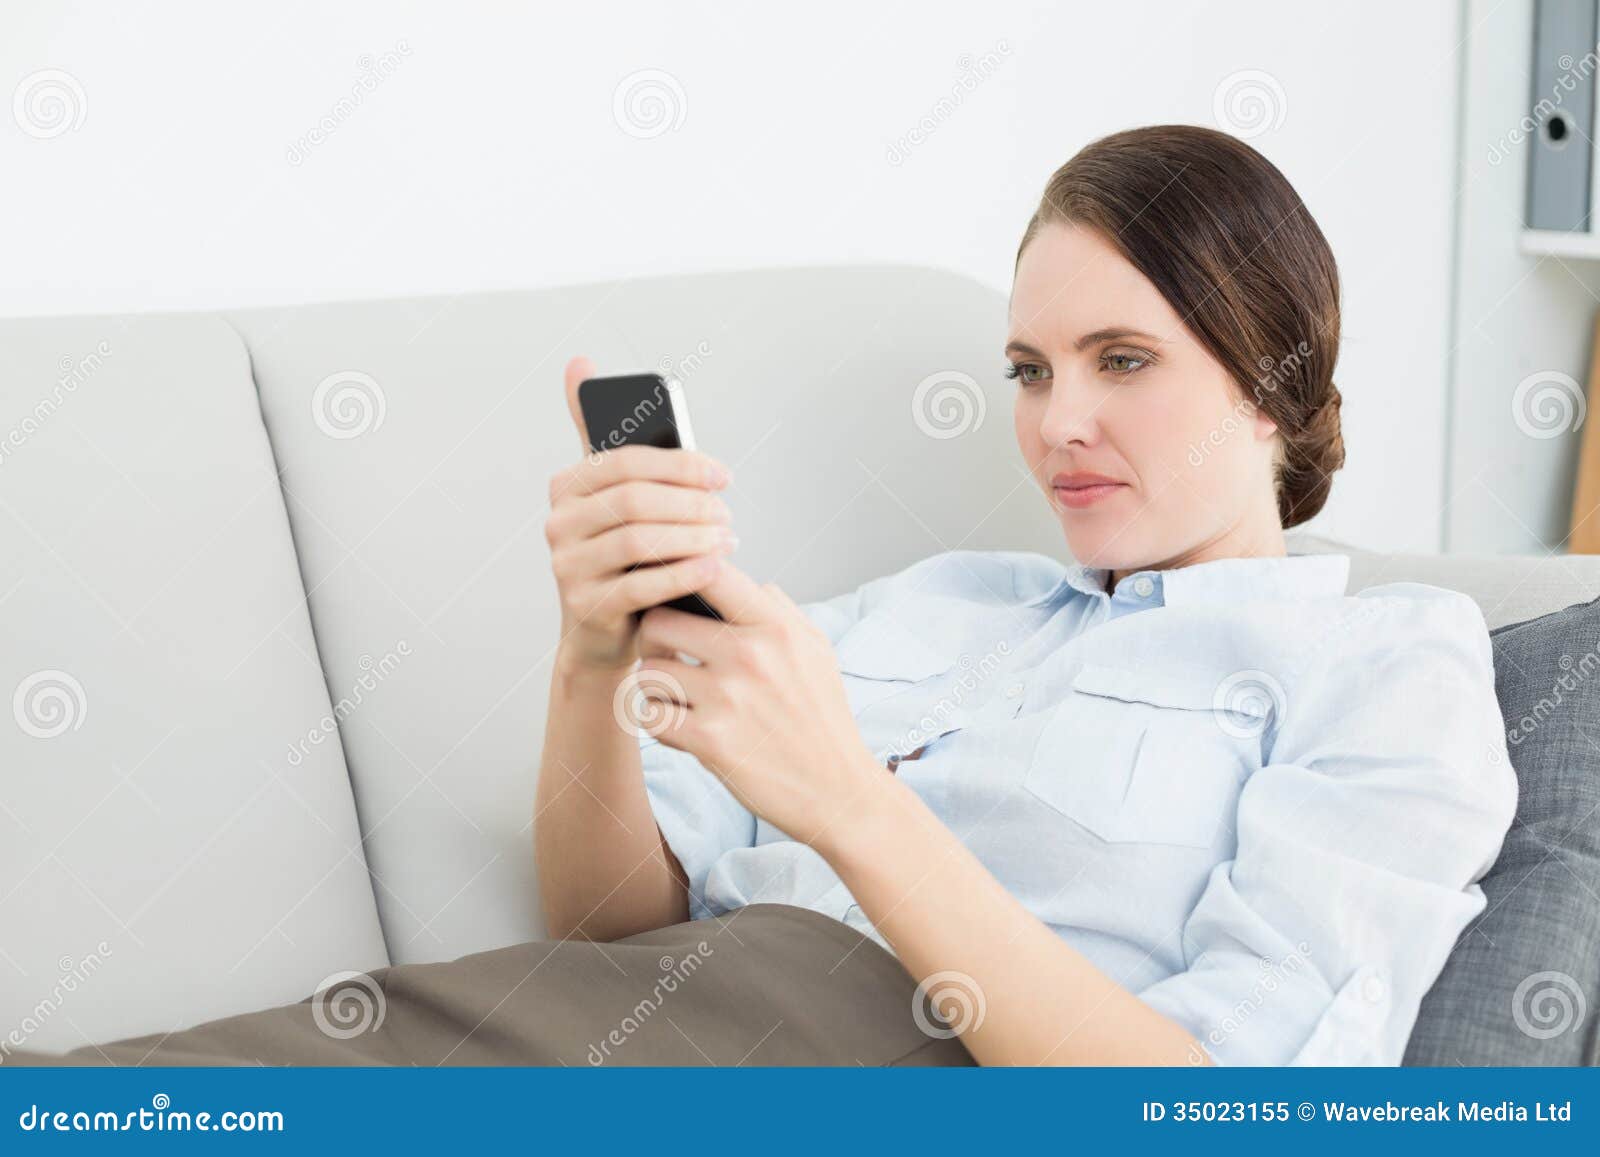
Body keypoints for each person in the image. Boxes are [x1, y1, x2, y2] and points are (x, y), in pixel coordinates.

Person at [11, 124, 1516, 1068]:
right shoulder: (942, 604)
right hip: (674, 1014)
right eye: (1029, 369)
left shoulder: (1385, 663)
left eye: (1122, 360)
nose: (1058, 423)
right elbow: (604, 926)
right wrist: (593, 661)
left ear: (1274, 381)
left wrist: (853, 804)